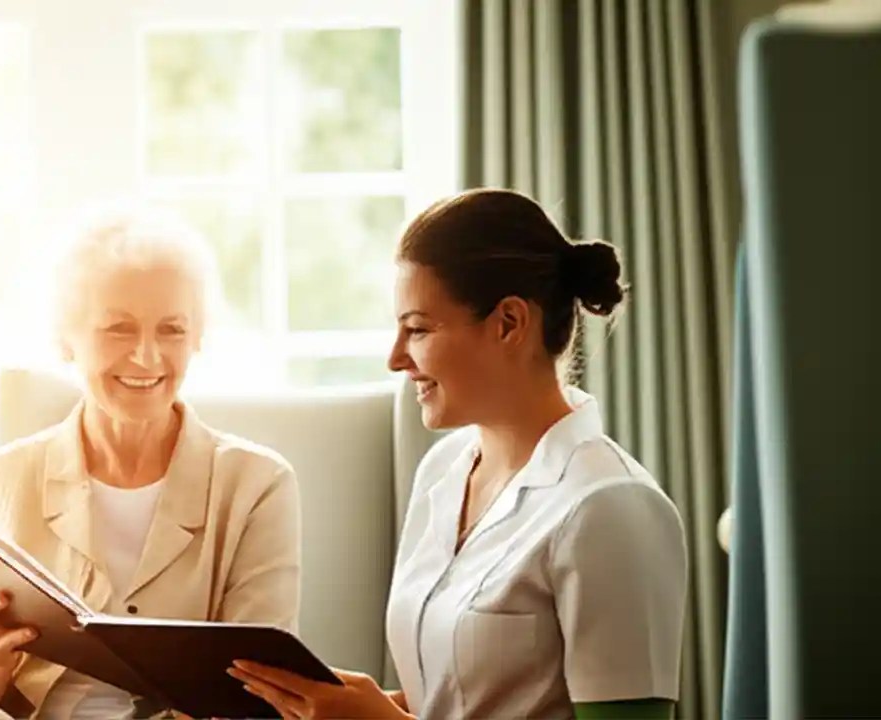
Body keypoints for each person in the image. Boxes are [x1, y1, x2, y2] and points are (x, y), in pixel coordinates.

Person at [230, 188, 688, 719]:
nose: (396, 358)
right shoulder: (443, 470)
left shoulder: (610, 507)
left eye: (418, 329)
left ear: (509, 323)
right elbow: (462, 702)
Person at [0, 206, 301, 720]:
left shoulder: (257, 485)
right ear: (66, 339)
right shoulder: (0, 481)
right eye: (119, 329)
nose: (148, 357)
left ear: (198, 337)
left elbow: (259, 694)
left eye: (172, 330)